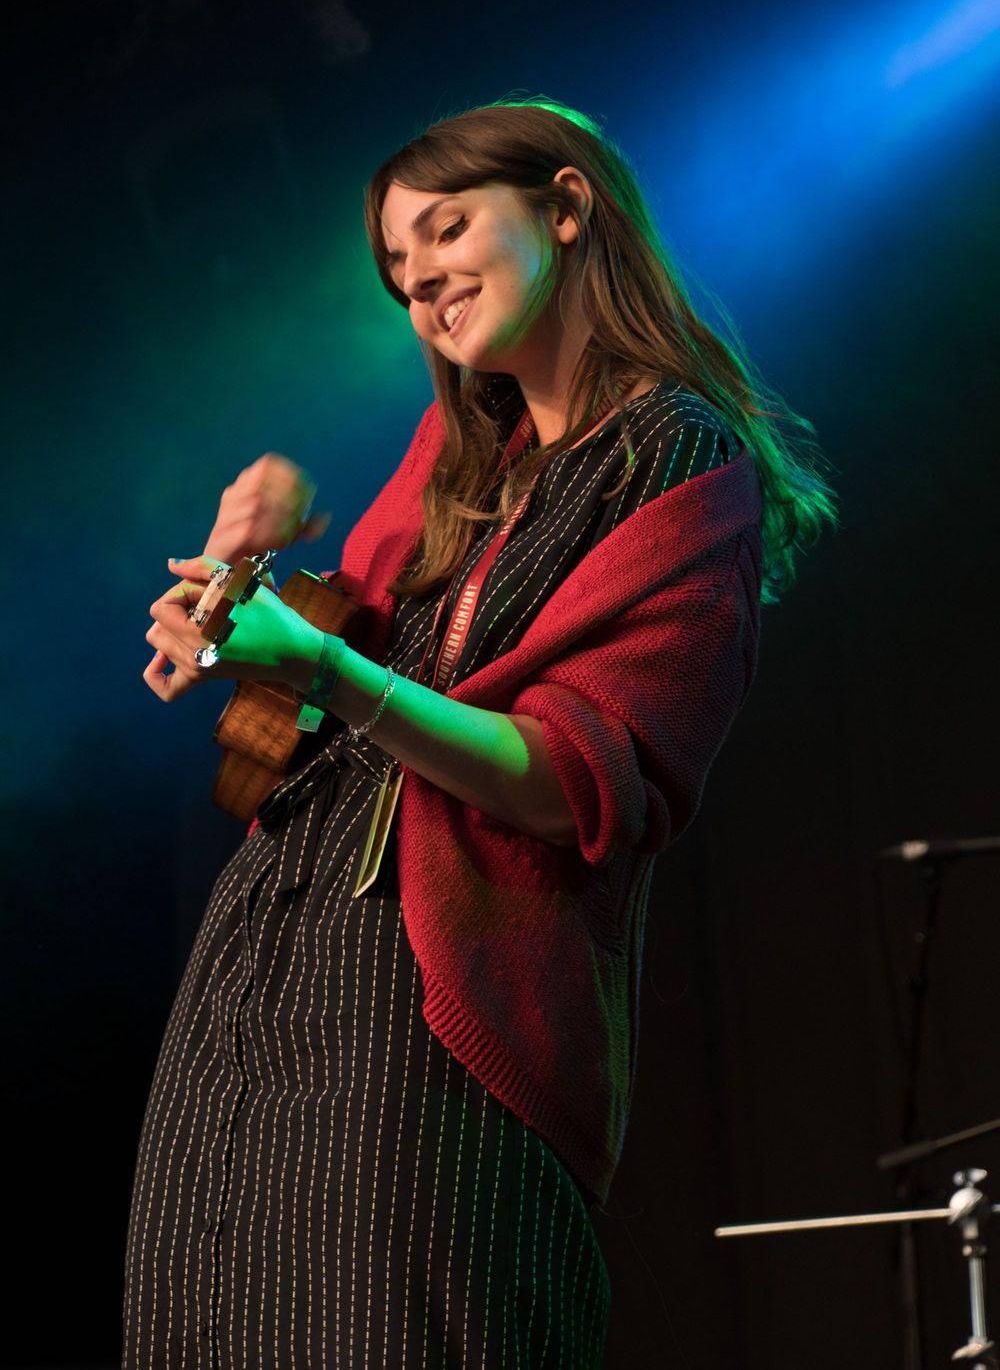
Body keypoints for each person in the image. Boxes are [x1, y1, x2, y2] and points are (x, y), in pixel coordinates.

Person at [125, 98, 833, 1369]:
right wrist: (241, 594)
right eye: (398, 269)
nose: (421, 283)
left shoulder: (675, 455)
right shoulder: (458, 460)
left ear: (565, 207)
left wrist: (322, 661)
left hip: (433, 1009)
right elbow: (289, 739)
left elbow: (570, 780)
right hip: (264, 965)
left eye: (446, 231)